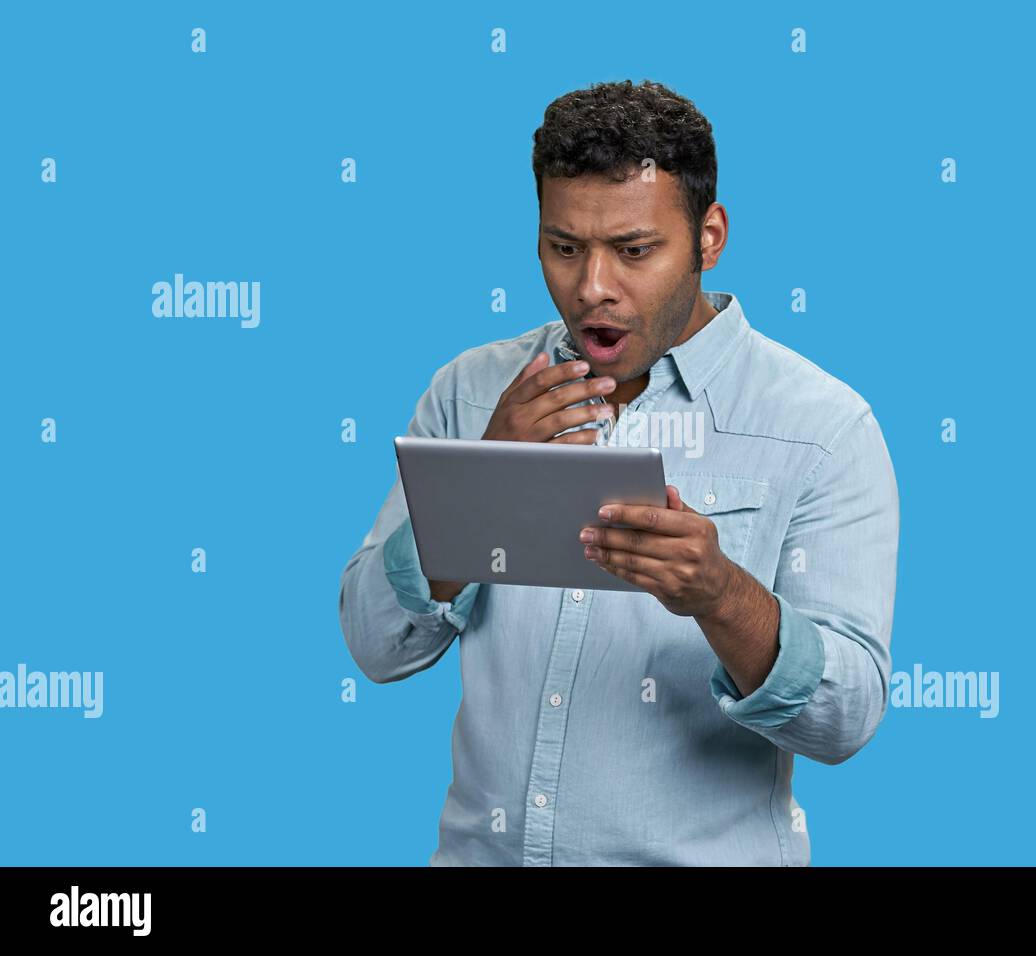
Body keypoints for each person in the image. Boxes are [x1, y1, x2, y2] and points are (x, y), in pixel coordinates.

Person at [338, 79, 899, 866]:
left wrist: (719, 595)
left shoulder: (823, 427)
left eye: (634, 251)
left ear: (709, 237)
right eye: (564, 248)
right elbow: (375, 647)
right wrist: (480, 487)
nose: (592, 286)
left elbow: (845, 721)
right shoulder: (470, 391)